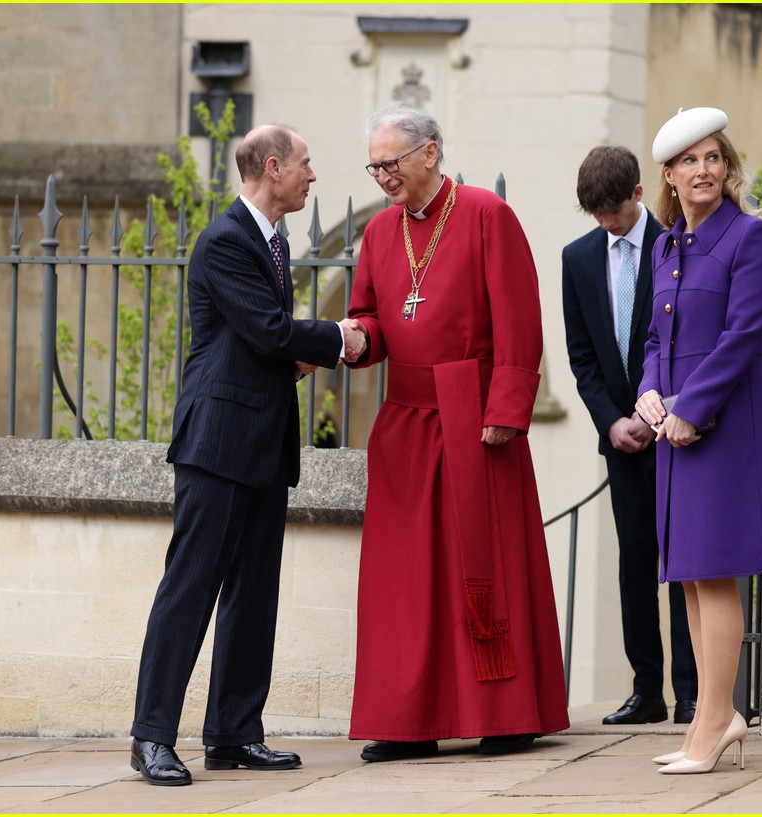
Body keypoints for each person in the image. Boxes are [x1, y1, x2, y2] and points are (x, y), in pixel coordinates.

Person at [129, 124, 367, 786]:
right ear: (272, 167)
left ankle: (234, 732)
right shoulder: (226, 239)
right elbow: (265, 330)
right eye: (305, 163)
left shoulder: (277, 241)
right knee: (191, 587)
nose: (312, 175)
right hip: (217, 440)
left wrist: (296, 350)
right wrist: (339, 337)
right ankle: (151, 736)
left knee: (254, 592)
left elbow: (261, 342)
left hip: (263, 440)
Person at [345, 103, 569, 762]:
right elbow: (371, 315)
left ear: (430, 153)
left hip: (476, 420)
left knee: (484, 566)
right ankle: (406, 719)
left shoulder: (484, 215)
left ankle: (504, 715)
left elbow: (519, 318)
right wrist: (354, 342)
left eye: (392, 162)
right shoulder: (379, 234)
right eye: (375, 165)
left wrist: (507, 405)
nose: (383, 175)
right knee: (407, 581)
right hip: (407, 422)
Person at [634, 107, 762, 775]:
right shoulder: (668, 245)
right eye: (690, 161)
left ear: (728, 168)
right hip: (675, 431)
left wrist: (692, 407)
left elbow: (743, 337)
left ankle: (717, 718)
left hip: (724, 428)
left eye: (714, 158)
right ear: (668, 175)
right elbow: (653, 339)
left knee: (715, 571)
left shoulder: (750, 238)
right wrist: (647, 391)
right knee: (691, 576)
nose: (704, 170)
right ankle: (712, 718)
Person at [560, 146, 698, 726]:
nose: (606, 224)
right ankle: (647, 690)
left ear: (639, 195)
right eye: (596, 215)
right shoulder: (578, 258)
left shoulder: (677, 244)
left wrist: (656, 414)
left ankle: (692, 692)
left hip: (676, 433)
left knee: (684, 563)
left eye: (613, 212)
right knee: (634, 562)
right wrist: (611, 421)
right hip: (619, 438)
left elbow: (683, 339)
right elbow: (582, 356)